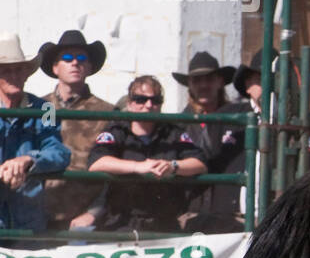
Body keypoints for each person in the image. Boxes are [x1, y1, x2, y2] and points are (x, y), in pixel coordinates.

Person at [87, 76, 206, 232]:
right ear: (129, 104)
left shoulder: (173, 131)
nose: (149, 105)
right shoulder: (117, 130)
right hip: (121, 223)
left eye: (155, 100)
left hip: (164, 224)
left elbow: (200, 164)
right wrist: (138, 167)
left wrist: (173, 166)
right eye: (140, 100)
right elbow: (97, 163)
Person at [35, 30, 113, 230]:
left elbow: (113, 165)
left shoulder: (107, 112)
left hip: (86, 219)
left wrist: (94, 212)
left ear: (89, 67)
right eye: (67, 58)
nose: (75, 63)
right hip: (39, 214)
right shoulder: (42, 107)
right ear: (55, 67)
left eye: (81, 58)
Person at [0, 34, 70, 234]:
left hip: (28, 220)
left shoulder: (46, 108)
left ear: (27, 74)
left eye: (19, 69)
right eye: (7, 71)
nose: (14, 75)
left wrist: (28, 160)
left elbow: (59, 151)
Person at [176, 51, 247, 232]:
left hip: (229, 212)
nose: (203, 85)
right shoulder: (178, 124)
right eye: (197, 80)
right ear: (189, 85)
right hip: (189, 210)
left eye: (209, 79)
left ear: (220, 81)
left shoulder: (240, 117)